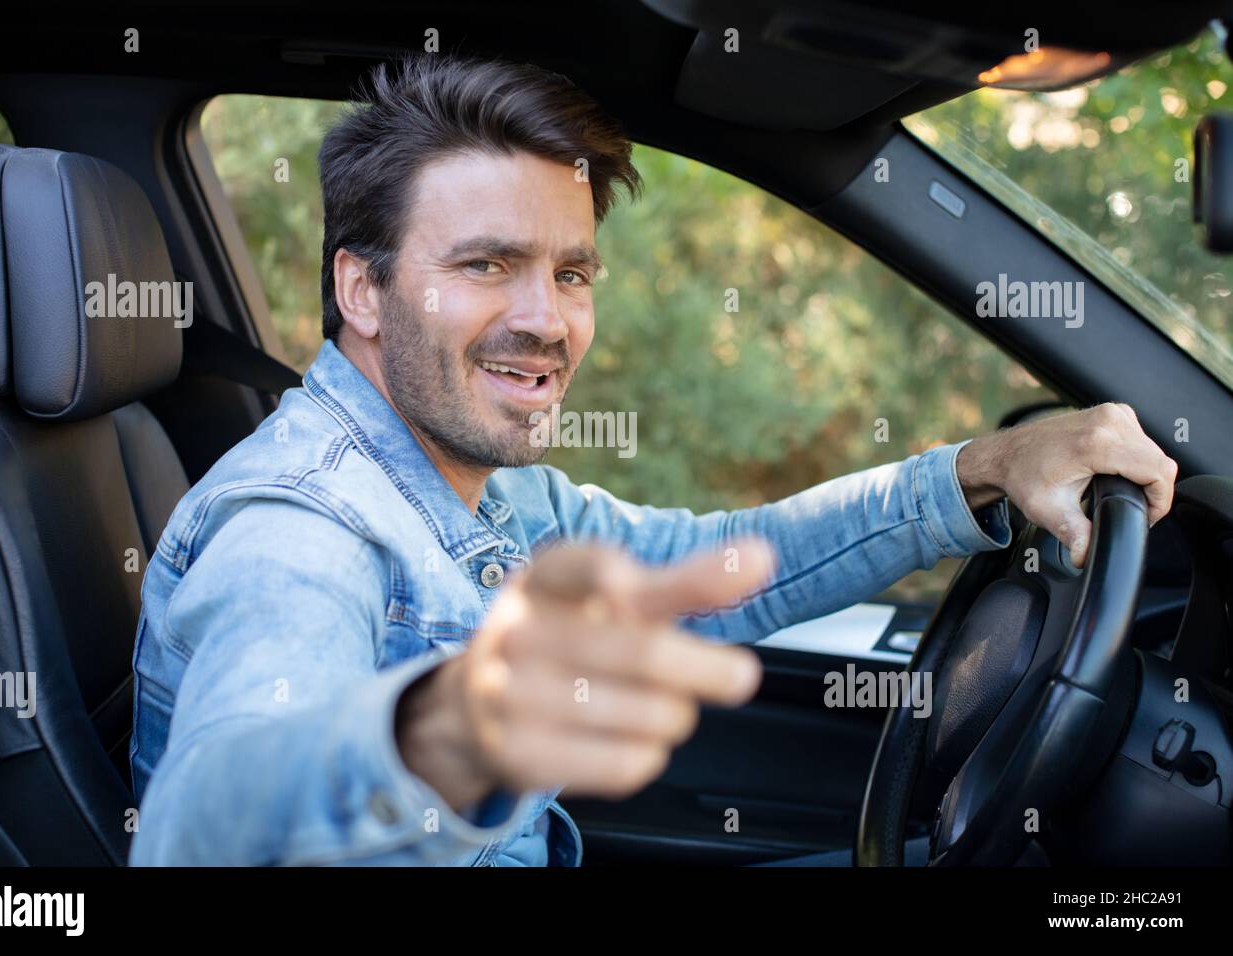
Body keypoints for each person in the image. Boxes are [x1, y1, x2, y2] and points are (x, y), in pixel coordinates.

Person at [127, 54, 1178, 866]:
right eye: (486, 264)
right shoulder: (298, 526)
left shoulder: (499, 493)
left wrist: (984, 466)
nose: (546, 321)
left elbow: (728, 562)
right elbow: (202, 824)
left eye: (571, 273)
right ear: (362, 290)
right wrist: (444, 733)